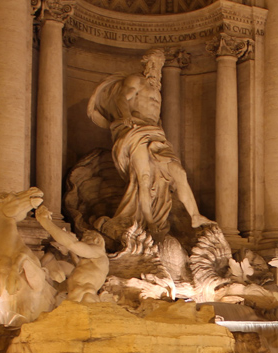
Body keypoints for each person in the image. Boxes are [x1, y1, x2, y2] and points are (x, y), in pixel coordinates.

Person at [86, 48, 212, 238]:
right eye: (152, 64)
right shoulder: (136, 80)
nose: (155, 68)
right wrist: (126, 115)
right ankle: (149, 221)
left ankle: (195, 216)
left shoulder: (157, 90)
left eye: (159, 65)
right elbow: (122, 97)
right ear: (146, 65)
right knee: (143, 178)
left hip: (156, 135)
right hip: (135, 131)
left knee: (179, 172)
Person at [35, 206, 109, 303]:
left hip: (85, 297)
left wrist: (45, 222)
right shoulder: (84, 267)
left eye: (86, 239)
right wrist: (46, 277)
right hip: (74, 298)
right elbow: (62, 286)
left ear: (96, 240)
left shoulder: (99, 252)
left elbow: (72, 244)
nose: (82, 241)